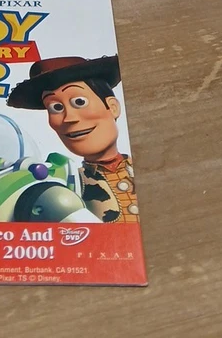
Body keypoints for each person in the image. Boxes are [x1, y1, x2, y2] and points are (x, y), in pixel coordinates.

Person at [7, 55, 139, 223]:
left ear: (112, 107)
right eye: (55, 107)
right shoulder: (67, 184)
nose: (69, 118)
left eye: (79, 102)